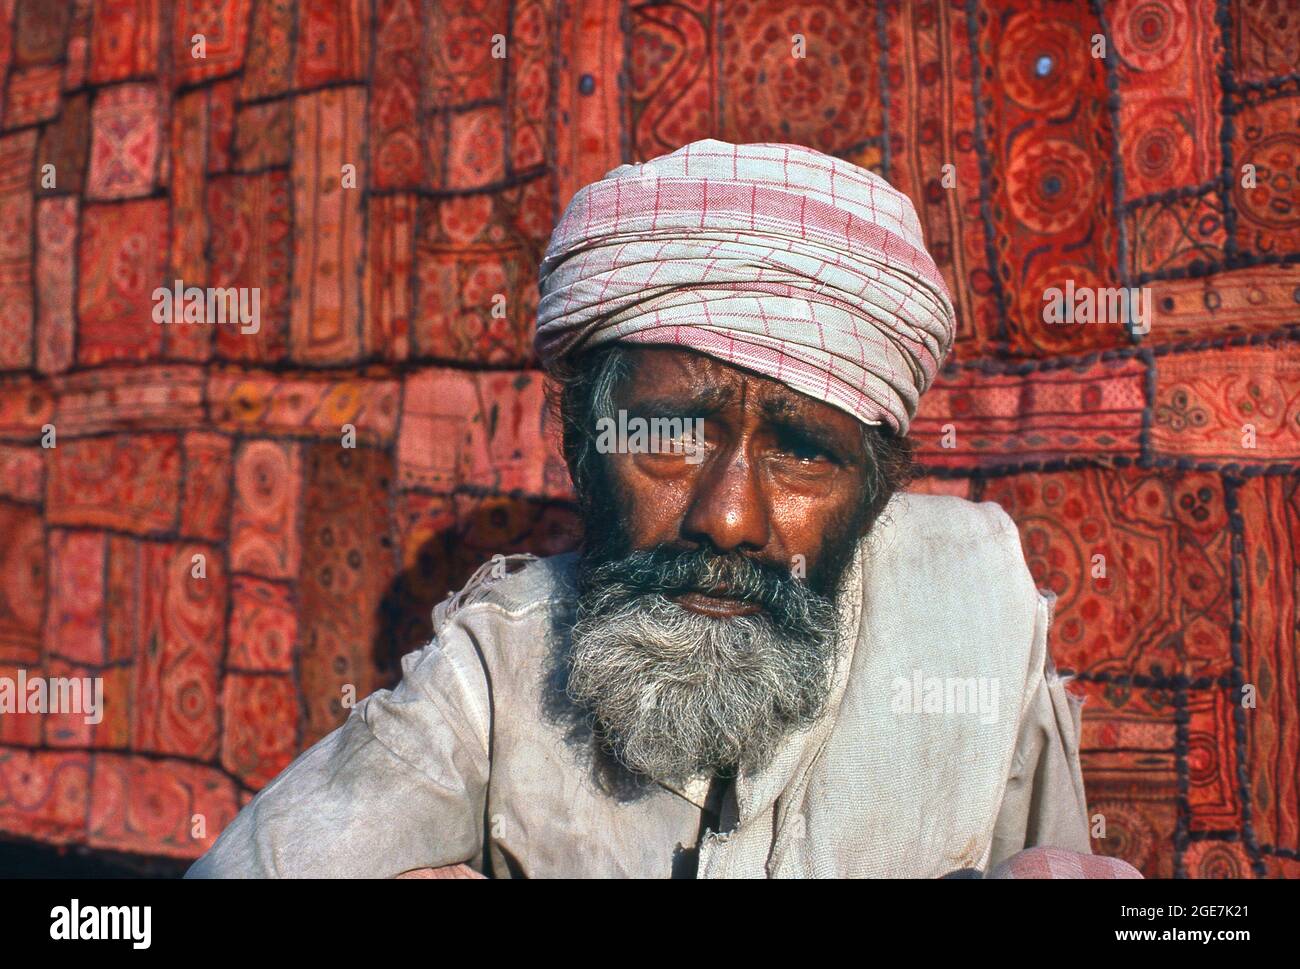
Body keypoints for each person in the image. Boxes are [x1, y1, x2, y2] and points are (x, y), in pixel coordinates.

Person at [188, 139, 1114, 879]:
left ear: (875, 489)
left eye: (801, 452)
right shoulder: (503, 663)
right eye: (671, 439)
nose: (729, 519)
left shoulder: (975, 607)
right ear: (583, 448)